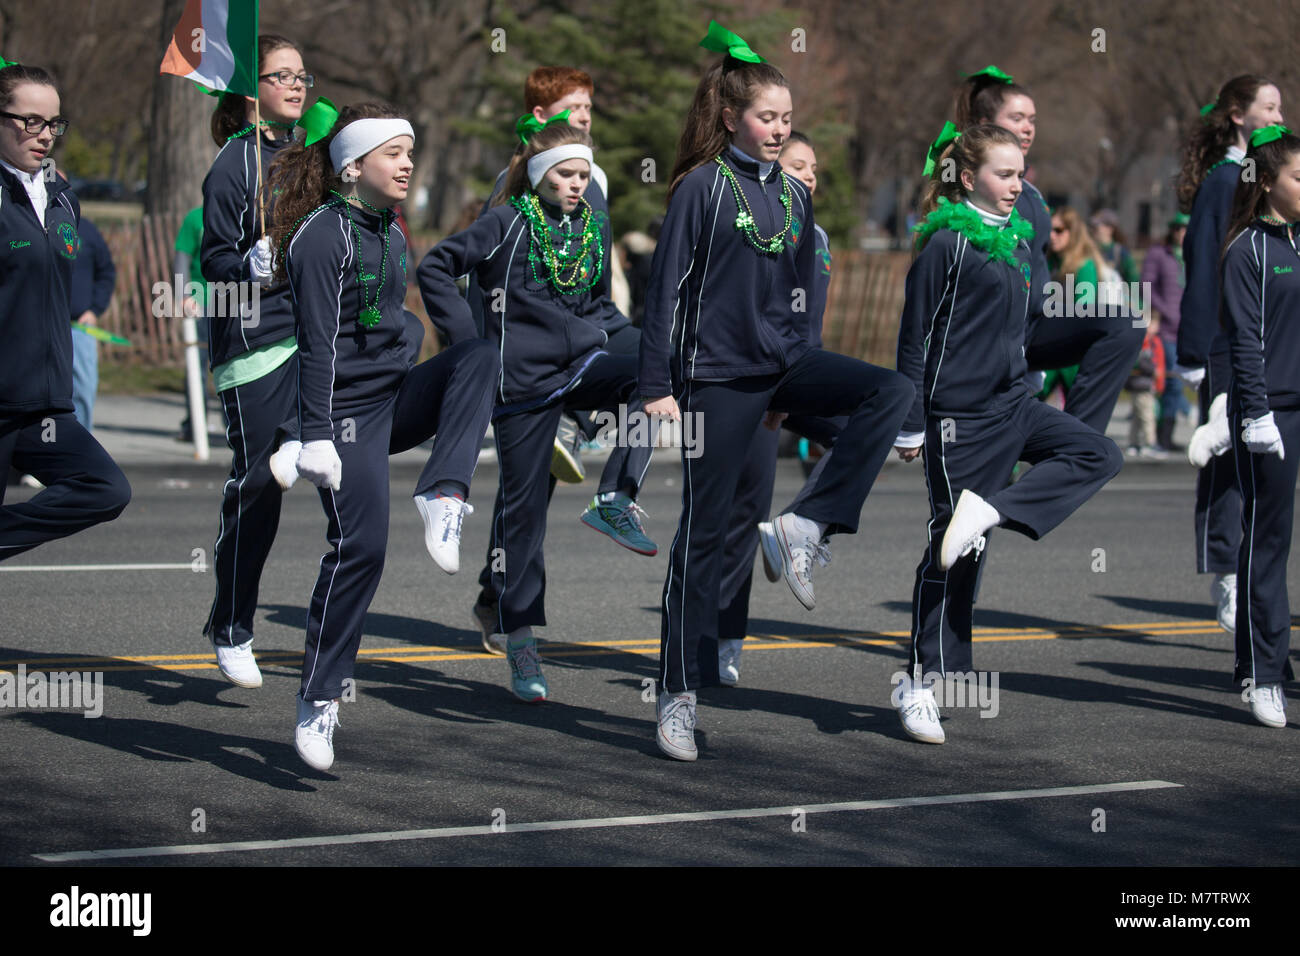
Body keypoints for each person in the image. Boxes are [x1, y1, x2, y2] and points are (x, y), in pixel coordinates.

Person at [641, 23, 913, 760]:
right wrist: (654, 386)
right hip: (715, 380)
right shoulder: (701, 188)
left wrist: (800, 379)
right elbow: (663, 291)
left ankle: (807, 524)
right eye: (767, 118)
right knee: (701, 535)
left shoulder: (795, 198)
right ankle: (674, 694)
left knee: (892, 392)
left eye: (787, 120)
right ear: (732, 118)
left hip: (784, 365)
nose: (778, 130)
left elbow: (800, 297)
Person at [269, 101, 498, 770]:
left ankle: (445, 493)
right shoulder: (320, 237)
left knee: (480, 356)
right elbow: (315, 347)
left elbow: (393, 323)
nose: (408, 164)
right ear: (353, 165)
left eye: (410, 152)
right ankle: (318, 698)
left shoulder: (394, 232)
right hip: (341, 419)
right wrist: (312, 436)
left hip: (393, 400)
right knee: (361, 548)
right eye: (395, 153)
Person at [892, 123, 1121, 745]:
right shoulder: (945, 244)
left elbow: (1034, 322)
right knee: (951, 550)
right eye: (1003, 173)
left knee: (1098, 452)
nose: (1017, 184)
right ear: (968, 178)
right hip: (955, 419)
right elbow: (913, 337)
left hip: (1015, 404)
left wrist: (1103, 323)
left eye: (1021, 172)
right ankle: (918, 682)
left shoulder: (1023, 243)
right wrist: (911, 420)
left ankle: (992, 510)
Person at [419, 121, 655, 704]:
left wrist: (622, 342)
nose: (577, 184)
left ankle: (616, 499)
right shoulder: (505, 223)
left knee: (658, 374)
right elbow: (435, 268)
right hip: (521, 385)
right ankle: (520, 637)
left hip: (580, 365)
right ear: (537, 174)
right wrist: (470, 344)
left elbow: (600, 304)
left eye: (583, 175)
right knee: (523, 517)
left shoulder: (594, 228)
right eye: (565, 173)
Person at [199, 34, 308, 687]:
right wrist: (247, 265)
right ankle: (232, 624)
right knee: (260, 484)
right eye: (281, 75)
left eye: (302, 76)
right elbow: (214, 271)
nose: (296, 86)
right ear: (252, 91)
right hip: (254, 341)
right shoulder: (232, 165)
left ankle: (330, 643)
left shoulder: (315, 161)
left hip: (315, 337)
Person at [954, 65, 1143, 435]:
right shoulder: (972, 188)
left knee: (1124, 320)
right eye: (1017, 117)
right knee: (991, 469)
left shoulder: (1033, 193)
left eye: (1032, 119)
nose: (1027, 127)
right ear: (984, 122)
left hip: (1036, 324)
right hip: (991, 337)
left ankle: (1077, 440)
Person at [0, 58, 130, 560]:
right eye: (30, 120)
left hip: (45, 405)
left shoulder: (61, 197)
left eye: (53, 122)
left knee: (106, 488)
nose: (45, 134)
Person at [723, 130, 836, 687]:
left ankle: (730, 638)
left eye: (814, 168)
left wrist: (795, 391)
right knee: (721, 517)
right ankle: (701, 634)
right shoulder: (748, 224)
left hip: (785, 387)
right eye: (799, 165)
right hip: (736, 385)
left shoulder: (815, 236)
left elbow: (809, 324)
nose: (809, 175)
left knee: (749, 515)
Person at [1177, 75, 1283, 634]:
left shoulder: (1272, 179)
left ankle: (1255, 571)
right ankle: (1227, 574)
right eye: (1268, 106)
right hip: (1223, 341)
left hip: (1269, 339)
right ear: (1239, 115)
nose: (1279, 114)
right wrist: (1194, 349)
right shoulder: (1227, 180)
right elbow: (1203, 265)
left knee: (1266, 462)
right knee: (1228, 464)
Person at [1220, 124, 1300, 728]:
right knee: (1267, 540)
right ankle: (1261, 672)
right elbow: (1245, 342)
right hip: (1271, 415)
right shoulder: (1247, 248)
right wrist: (1256, 413)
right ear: (1270, 182)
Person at [1141, 212, 1189, 451]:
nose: (1182, 233)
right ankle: (1161, 435)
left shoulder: (1193, 255)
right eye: (1178, 228)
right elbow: (1146, 287)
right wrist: (1164, 311)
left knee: (1177, 383)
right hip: (1164, 330)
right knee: (1169, 382)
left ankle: (1166, 433)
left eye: (1186, 229)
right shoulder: (1159, 254)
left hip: (1187, 330)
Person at [67, 213, 115, 431]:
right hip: (36, 327)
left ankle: (80, 445)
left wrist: (95, 310)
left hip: (79, 327)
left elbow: (106, 272)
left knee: (83, 390)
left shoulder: (86, 230)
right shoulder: (25, 226)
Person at [174, 204, 212, 443]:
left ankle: (233, 424)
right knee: (196, 367)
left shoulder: (241, 214)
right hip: (200, 304)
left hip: (233, 303)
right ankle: (195, 425)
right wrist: (183, 296)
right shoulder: (195, 218)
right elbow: (182, 258)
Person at [1126, 313, 1167, 458]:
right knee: (1147, 416)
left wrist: (1159, 382)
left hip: (1148, 385)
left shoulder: (1154, 342)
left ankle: (1135, 443)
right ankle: (1150, 443)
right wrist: (1152, 370)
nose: (1153, 327)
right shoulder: (1141, 342)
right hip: (1139, 385)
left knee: (1139, 416)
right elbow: (1139, 362)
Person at [1089, 208, 1139, 285]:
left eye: (1097, 226)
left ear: (1110, 228)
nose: (1093, 229)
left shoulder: (1120, 252)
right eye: (1092, 226)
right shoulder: (1088, 251)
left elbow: (1134, 281)